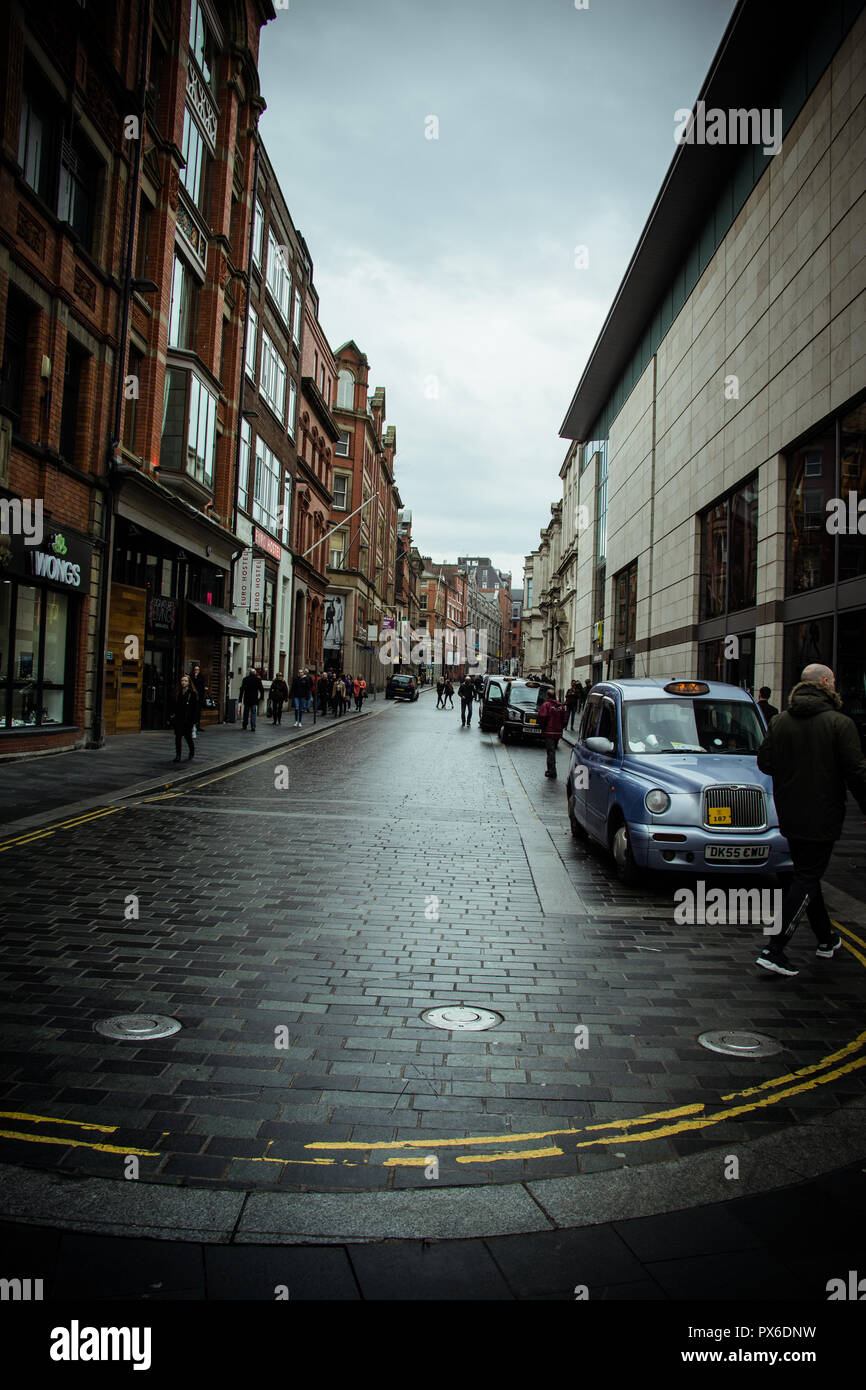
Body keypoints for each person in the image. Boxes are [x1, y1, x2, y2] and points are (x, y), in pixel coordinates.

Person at [755, 663, 866, 977]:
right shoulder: (840, 723)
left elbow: (765, 762)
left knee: (806, 874)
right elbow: (857, 773)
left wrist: (793, 775)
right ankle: (775, 949)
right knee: (806, 877)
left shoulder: (780, 722)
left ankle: (826, 939)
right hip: (824, 814)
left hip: (790, 811)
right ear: (827, 682)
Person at [538, 686, 567, 778]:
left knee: (551, 752)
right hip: (557, 732)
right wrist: (561, 727)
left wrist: (543, 728)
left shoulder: (546, 705)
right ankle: (551, 770)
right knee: (552, 750)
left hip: (549, 732)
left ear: (547, 696)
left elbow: (542, 717)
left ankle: (552, 771)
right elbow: (565, 719)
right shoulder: (561, 706)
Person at [171, 673, 199, 762]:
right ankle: (178, 755)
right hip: (179, 718)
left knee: (188, 737)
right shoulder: (178, 692)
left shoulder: (192, 694)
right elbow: (174, 705)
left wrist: (194, 720)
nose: (183, 682)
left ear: (189, 683)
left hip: (188, 719)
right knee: (178, 737)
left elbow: (196, 708)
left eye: (185, 681)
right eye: (182, 680)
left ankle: (191, 751)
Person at [239, 666, 264, 732]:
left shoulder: (245, 679)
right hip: (254, 699)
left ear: (249, 673)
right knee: (253, 713)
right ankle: (253, 726)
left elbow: (242, 690)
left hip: (247, 698)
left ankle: (245, 725)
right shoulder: (258, 680)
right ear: (255, 673)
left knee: (246, 713)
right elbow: (261, 689)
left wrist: (240, 699)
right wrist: (261, 697)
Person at [189, 662, 207, 732]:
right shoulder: (191, 677)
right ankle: (191, 725)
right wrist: (195, 677)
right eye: (195, 669)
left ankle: (197, 725)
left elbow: (202, 685)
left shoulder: (201, 677)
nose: (196, 671)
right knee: (192, 711)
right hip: (192, 697)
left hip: (199, 697)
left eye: (198, 670)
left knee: (198, 712)